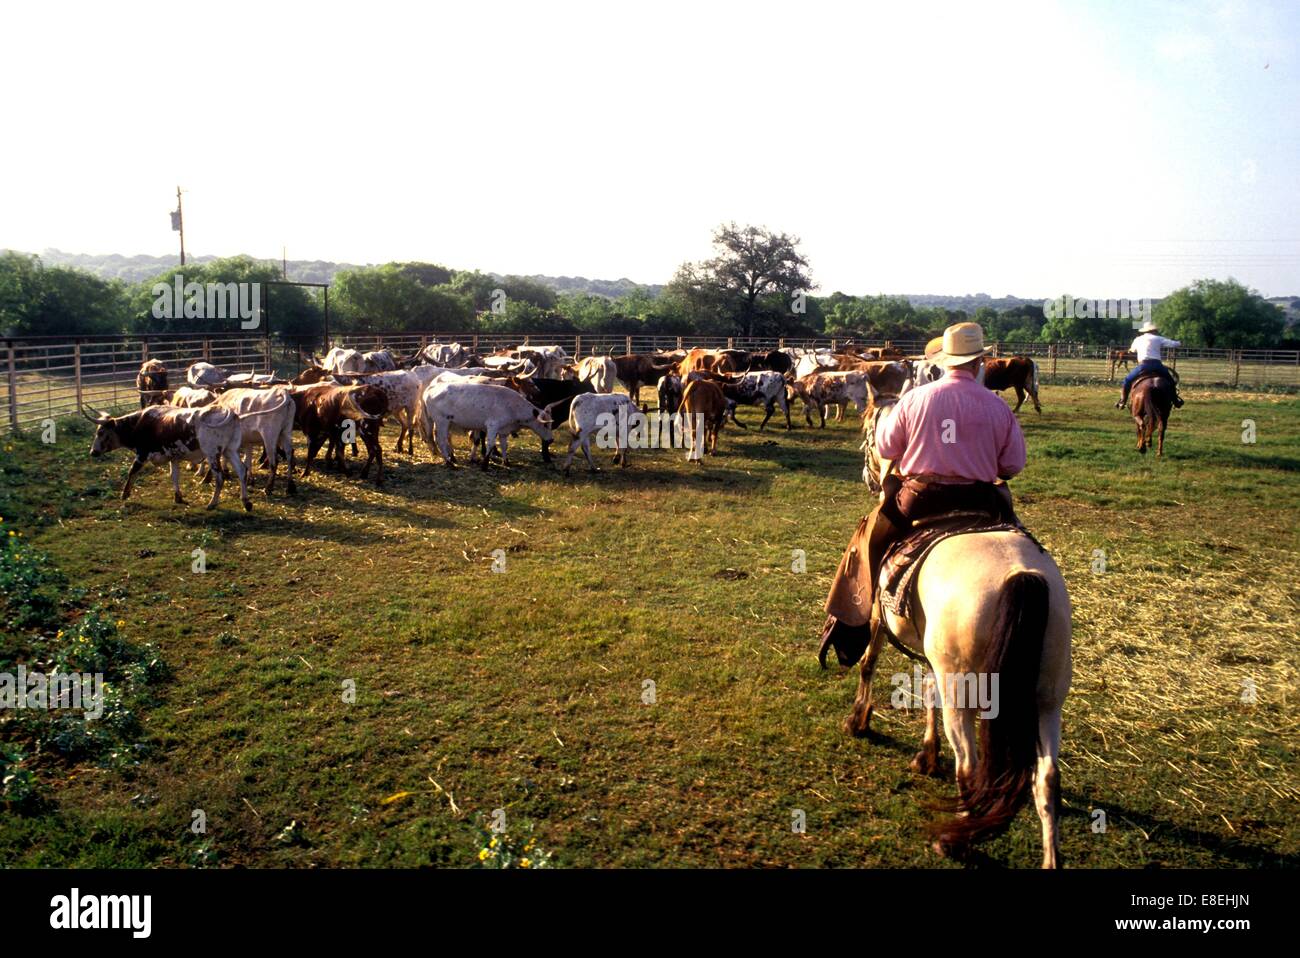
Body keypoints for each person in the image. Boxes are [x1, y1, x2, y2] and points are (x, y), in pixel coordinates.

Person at [821, 322, 1026, 665]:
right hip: (981, 500)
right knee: (1021, 545)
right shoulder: (997, 407)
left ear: (944, 361)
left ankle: (849, 622)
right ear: (979, 363)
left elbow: (886, 446)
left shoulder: (915, 399)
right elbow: (1012, 465)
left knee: (867, 540)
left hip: (920, 497)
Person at [1117, 322, 1184, 409]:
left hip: (1143, 366)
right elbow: (1173, 344)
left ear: (1145, 331)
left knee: (1127, 380)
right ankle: (1175, 401)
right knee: (1171, 381)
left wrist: (1132, 350)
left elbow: (1132, 350)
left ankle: (1123, 402)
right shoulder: (1158, 338)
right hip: (1157, 365)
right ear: (1153, 330)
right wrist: (1180, 342)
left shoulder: (1138, 339)